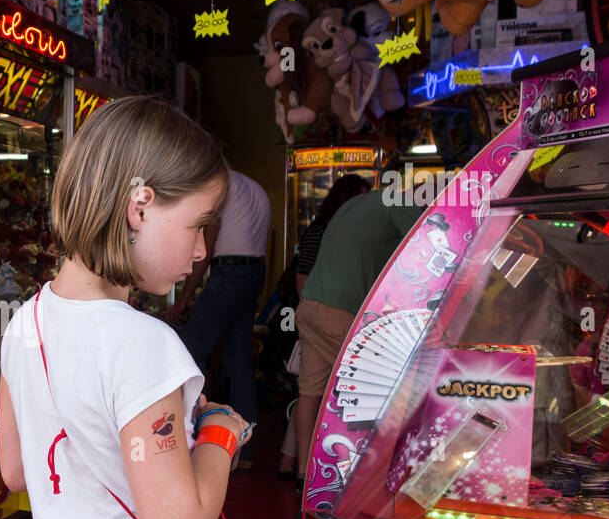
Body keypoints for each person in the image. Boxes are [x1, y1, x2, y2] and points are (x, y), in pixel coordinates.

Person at [0, 96, 251, 519]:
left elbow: (15, 472)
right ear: (140, 206)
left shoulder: (28, 321)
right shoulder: (144, 345)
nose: (201, 250)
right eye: (197, 224)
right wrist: (221, 438)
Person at [294, 187, 421, 484]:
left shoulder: (355, 201)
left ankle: (303, 473)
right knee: (375, 389)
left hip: (309, 305)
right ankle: (367, 476)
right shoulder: (400, 201)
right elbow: (426, 239)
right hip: (341, 310)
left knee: (310, 392)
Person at [167, 169, 269, 469]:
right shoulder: (252, 185)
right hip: (254, 272)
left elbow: (205, 250)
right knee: (239, 362)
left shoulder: (217, 183)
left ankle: (184, 442)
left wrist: (182, 302)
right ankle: (243, 449)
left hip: (228, 273)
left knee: (189, 354)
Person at [277, 173, 371, 480]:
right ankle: (341, 470)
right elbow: (304, 275)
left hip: (310, 313)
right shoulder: (338, 233)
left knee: (310, 392)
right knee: (351, 389)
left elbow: (303, 275)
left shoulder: (319, 229)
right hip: (331, 312)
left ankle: (299, 468)